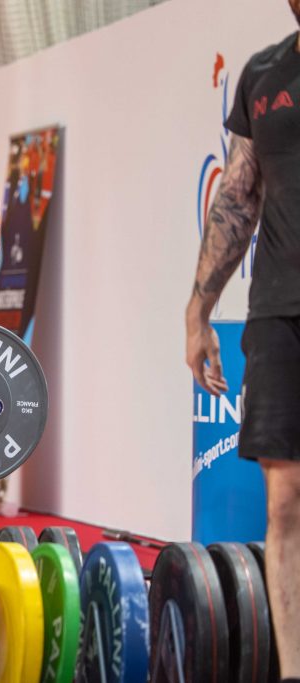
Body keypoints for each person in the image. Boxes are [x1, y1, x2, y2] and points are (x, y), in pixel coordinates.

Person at [185, 7, 300, 677]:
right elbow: (237, 195)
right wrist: (199, 309)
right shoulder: (263, 72)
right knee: (284, 498)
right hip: (281, 310)